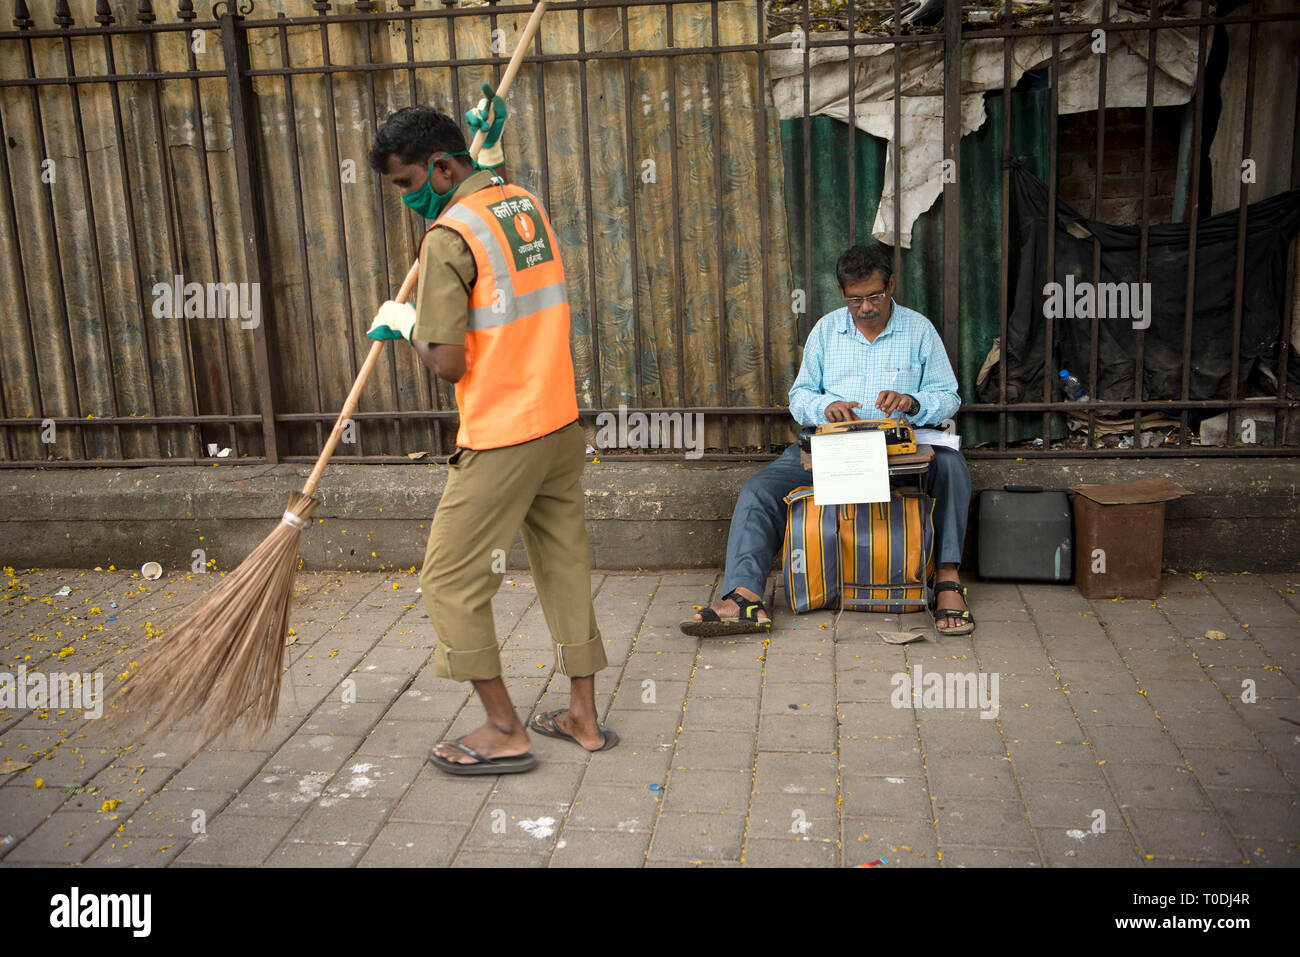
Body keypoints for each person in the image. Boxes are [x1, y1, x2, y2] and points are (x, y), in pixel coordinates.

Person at [367, 100, 617, 775]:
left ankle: (505, 728)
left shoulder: (448, 238)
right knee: (563, 563)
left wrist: (408, 325)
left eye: (406, 182)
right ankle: (584, 717)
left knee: (448, 578)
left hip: (505, 433)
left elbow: (449, 360)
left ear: (443, 167)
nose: (406, 197)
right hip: (560, 420)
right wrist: (492, 151)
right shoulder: (520, 202)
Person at [682, 244, 975, 637]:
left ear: (892, 284)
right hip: (837, 450)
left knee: (952, 466)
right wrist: (826, 407)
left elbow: (949, 396)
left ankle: (947, 581)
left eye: (875, 296)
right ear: (842, 293)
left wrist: (913, 401)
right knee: (759, 490)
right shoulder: (826, 330)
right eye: (856, 300)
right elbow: (799, 396)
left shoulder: (919, 330)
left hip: (900, 454)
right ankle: (746, 597)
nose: (867, 308)